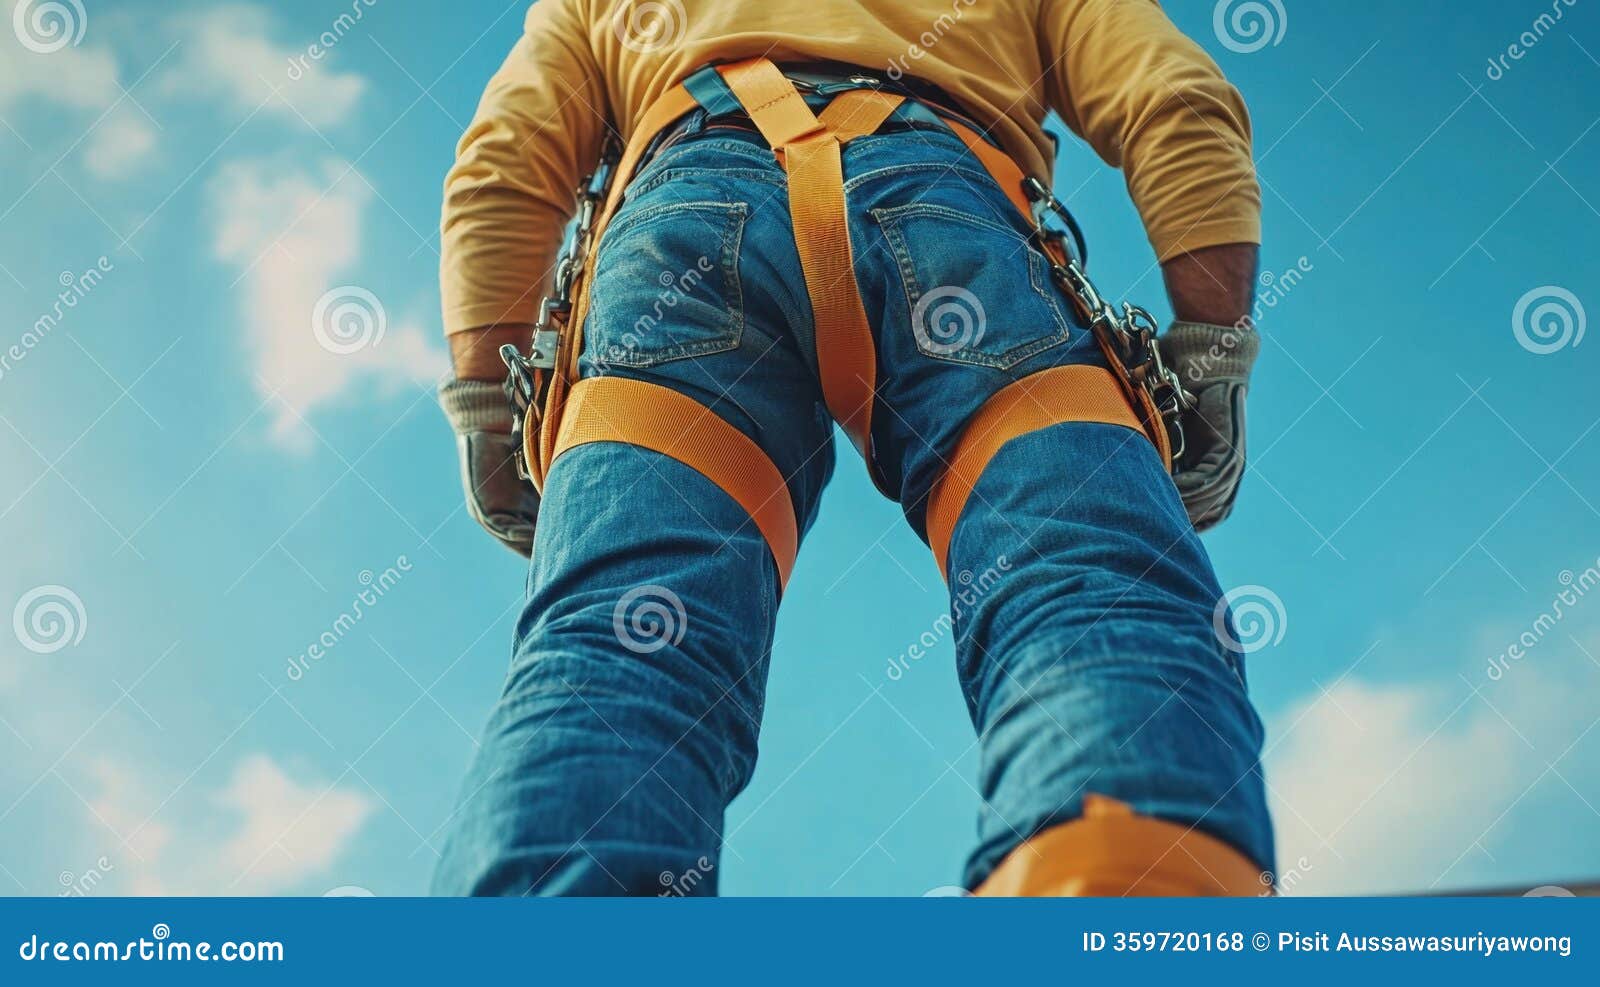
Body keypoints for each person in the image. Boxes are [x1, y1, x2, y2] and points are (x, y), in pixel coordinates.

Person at [433, 0, 1272, 896]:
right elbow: (1177, 97)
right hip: (948, 212)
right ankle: (1129, 898)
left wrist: (492, 402)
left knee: (620, 639)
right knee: (1089, 581)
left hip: (682, 227)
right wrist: (1211, 350)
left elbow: (502, 165)